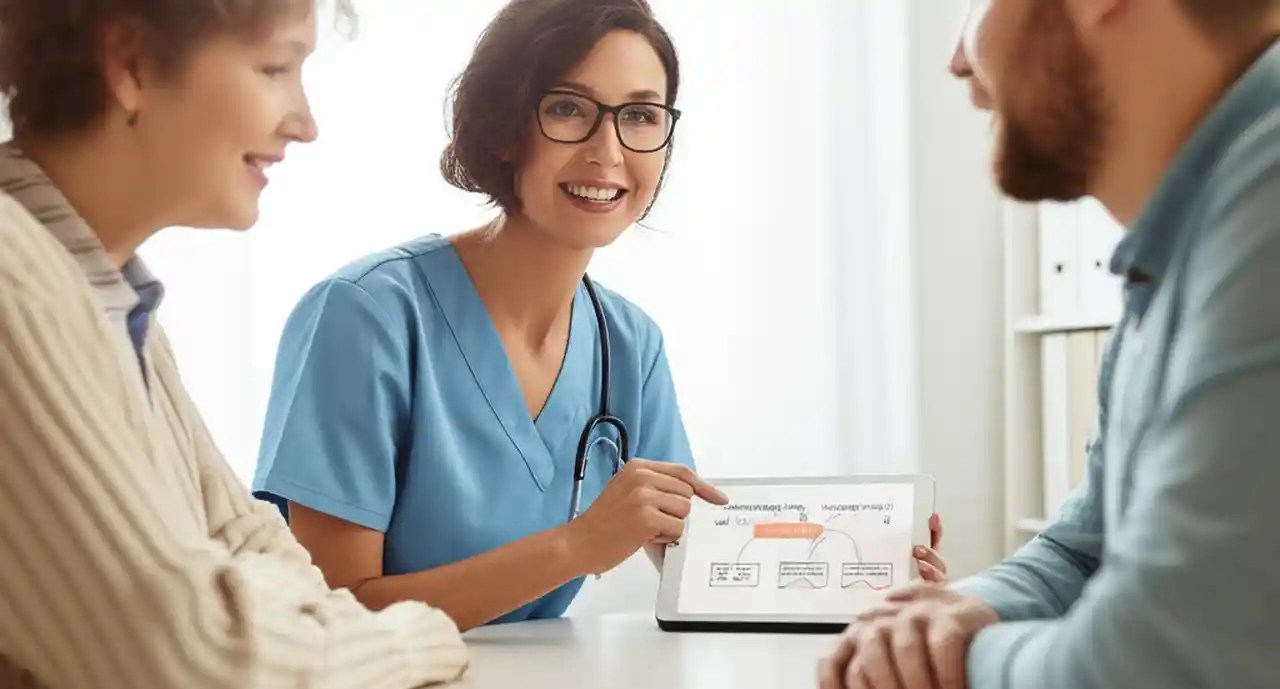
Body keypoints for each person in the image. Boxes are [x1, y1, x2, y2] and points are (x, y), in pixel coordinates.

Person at [252, 0, 952, 632]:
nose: (608, 151)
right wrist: (576, 546)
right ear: (503, 127)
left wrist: (867, 578)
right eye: (568, 109)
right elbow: (337, 612)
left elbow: (698, 557)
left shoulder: (628, 342)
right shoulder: (366, 315)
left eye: (641, 116)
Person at [0, 2, 469, 689]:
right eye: (274, 69)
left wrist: (238, 604)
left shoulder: (108, 298)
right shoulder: (15, 281)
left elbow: (246, 545)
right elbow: (204, 671)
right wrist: (410, 638)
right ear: (131, 64)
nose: (304, 124)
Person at [817, 0, 1280, 689]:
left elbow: (1160, 675)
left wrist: (963, 661)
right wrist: (946, 618)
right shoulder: (1178, 253)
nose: (957, 61)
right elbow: (1082, 552)